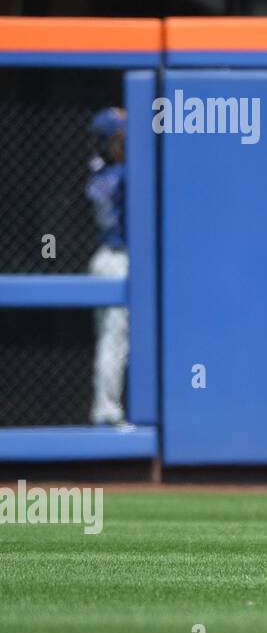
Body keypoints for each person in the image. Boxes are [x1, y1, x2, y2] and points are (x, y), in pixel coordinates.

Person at [85, 107, 129, 426]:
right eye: (122, 136)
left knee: (112, 339)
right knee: (114, 340)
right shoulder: (121, 174)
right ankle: (107, 412)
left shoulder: (98, 172)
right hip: (117, 259)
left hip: (105, 257)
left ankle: (109, 408)